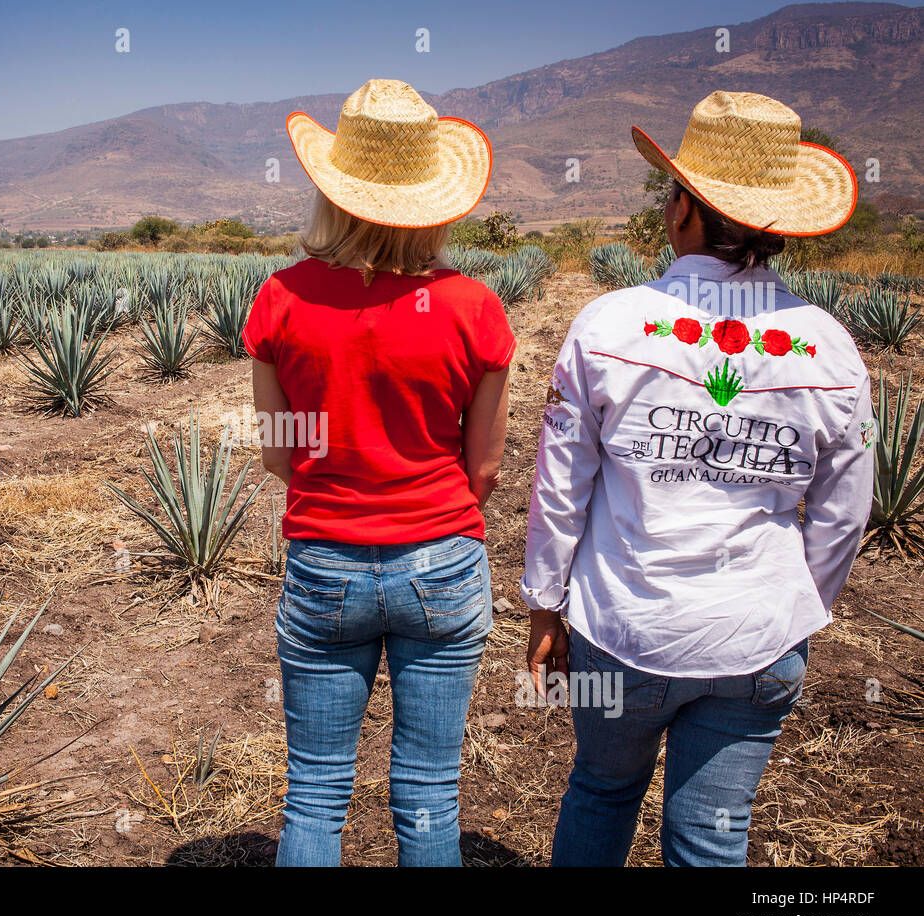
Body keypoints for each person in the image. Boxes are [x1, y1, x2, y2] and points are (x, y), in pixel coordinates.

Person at [521, 91, 871, 866]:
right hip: (758, 642)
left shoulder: (608, 324)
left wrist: (546, 608)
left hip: (622, 631)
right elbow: (845, 515)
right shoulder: (829, 347)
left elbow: (560, 486)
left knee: (601, 792)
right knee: (711, 838)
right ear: (777, 227)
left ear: (680, 208)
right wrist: (795, 606)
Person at [244, 79, 514, 866]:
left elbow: (277, 454)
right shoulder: (474, 308)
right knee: (430, 789)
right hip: (442, 560)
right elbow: (487, 468)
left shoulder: (282, 299)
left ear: (333, 192)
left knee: (317, 789)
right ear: (436, 202)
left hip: (324, 559)